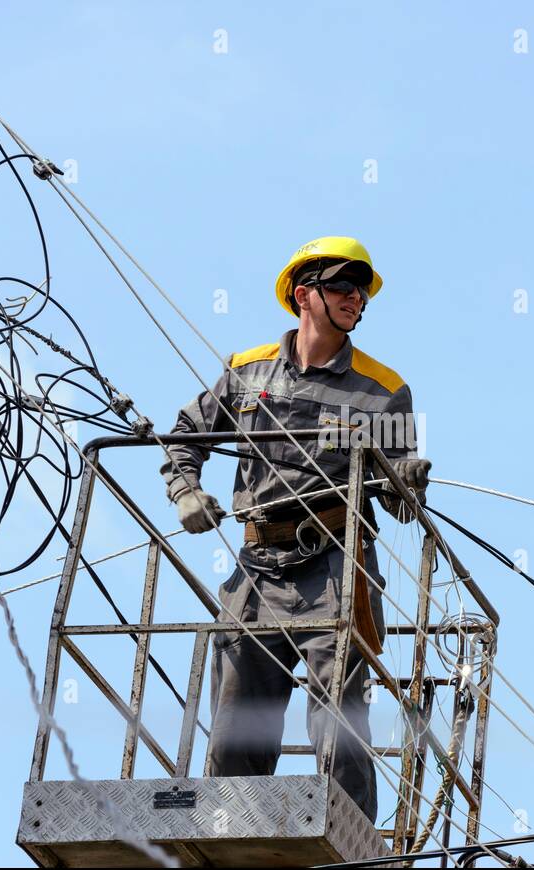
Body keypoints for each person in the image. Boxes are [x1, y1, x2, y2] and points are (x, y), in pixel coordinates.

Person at [158, 236, 430, 822]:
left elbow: (398, 503)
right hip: (256, 571)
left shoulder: (382, 391)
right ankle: (230, 832)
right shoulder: (246, 371)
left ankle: (352, 844)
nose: (355, 297)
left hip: (336, 565)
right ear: (304, 295)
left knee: (338, 723)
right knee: (236, 725)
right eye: (340, 285)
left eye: (360, 288)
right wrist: (186, 493)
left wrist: (406, 479)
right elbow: (184, 435)